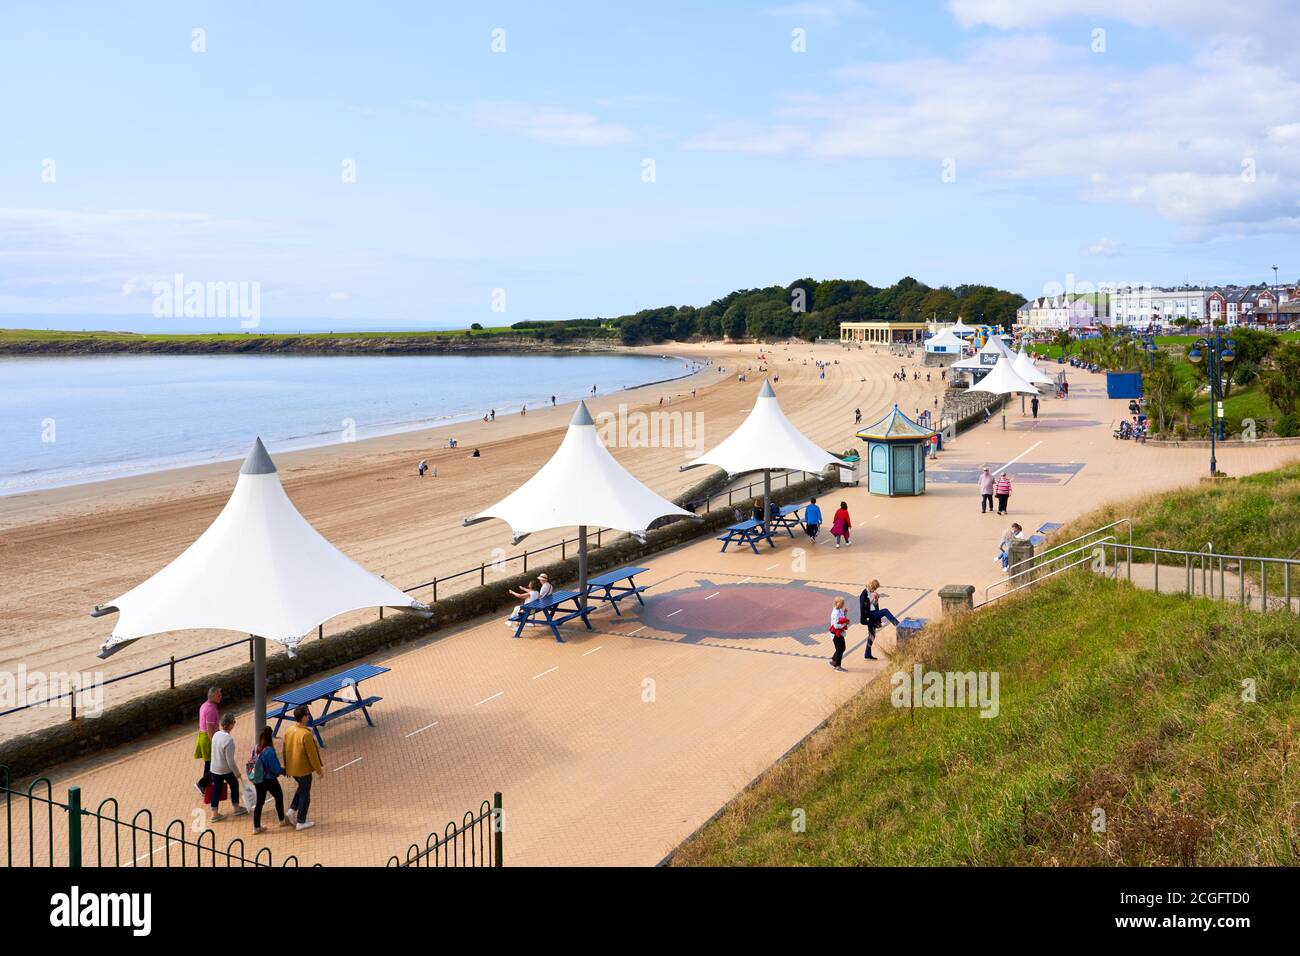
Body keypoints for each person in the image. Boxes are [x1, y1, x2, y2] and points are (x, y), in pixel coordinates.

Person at [284, 706, 324, 831]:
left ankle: (291, 811)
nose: (308, 716)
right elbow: (312, 755)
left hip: (292, 768)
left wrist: (286, 766)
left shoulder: (289, 730)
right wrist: (319, 770)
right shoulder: (305, 734)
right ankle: (301, 821)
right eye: (307, 714)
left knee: (301, 788)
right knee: (305, 795)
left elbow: (285, 749)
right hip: (304, 769)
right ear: (303, 717)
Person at [249, 726, 290, 834]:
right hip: (269, 780)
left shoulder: (256, 747)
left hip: (258, 779)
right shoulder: (269, 751)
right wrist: (284, 771)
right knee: (278, 796)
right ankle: (282, 820)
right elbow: (275, 769)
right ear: (270, 737)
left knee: (260, 802)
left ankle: (256, 827)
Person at [208, 712, 246, 822]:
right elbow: (230, 761)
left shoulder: (216, 734)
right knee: (234, 785)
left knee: (216, 789)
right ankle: (236, 807)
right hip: (225, 769)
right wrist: (237, 773)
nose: (234, 724)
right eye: (233, 722)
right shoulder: (229, 740)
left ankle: (214, 814)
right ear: (230, 725)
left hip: (214, 768)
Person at [858, 578, 899, 659]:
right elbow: (863, 609)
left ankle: (867, 654)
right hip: (869, 616)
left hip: (872, 614)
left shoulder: (872, 593)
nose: (875, 590)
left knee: (872, 635)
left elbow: (872, 605)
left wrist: (876, 599)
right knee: (885, 611)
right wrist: (866, 620)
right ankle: (898, 625)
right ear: (871, 586)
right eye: (874, 588)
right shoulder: (864, 594)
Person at [194, 686, 221, 796]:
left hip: (203, 736)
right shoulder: (210, 709)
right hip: (208, 738)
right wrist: (215, 742)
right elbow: (210, 727)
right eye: (219, 695)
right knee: (213, 764)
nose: (220, 697)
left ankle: (207, 786)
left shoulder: (205, 705)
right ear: (213, 695)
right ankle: (202, 784)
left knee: (209, 764)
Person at [828, 597, 850, 671]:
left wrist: (845, 614)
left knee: (841, 648)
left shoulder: (839, 610)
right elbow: (836, 626)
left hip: (839, 633)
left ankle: (834, 661)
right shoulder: (835, 613)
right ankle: (838, 666)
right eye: (842, 603)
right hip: (835, 633)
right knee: (840, 649)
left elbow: (843, 617)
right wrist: (845, 624)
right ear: (838, 603)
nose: (843, 605)